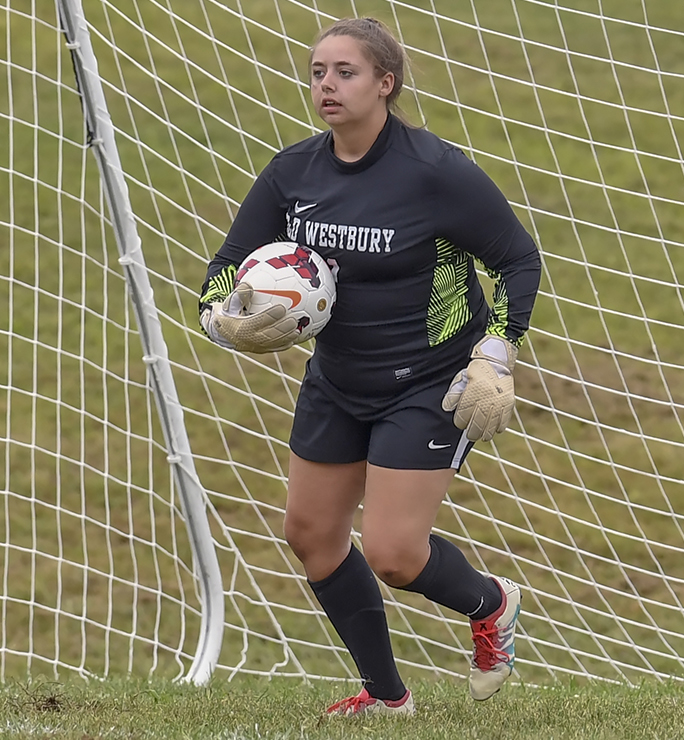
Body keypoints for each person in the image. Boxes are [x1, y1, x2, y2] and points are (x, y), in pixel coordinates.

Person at [198, 17, 543, 716]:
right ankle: (388, 699)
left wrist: (497, 352)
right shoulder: (293, 172)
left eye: (345, 72)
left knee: (394, 553)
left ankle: (491, 604)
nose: (327, 84)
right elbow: (226, 267)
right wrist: (221, 317)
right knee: (311, 535)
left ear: (386, 83)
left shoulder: (436, 173)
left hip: (429, 383)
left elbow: (517, 259)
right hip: (338, 380)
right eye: (318, 72)